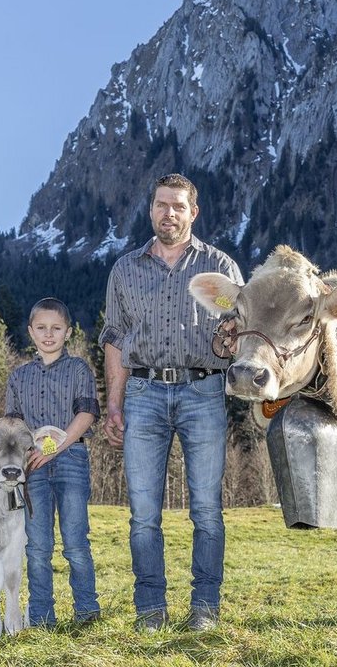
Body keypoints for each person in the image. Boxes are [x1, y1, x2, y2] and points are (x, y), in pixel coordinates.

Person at [99, 173, 244, 632]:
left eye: (178, 206)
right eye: (162, 205)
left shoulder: (221, 268)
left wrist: (229, 343)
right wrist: (114, 405)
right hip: (142, 394)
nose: (169, 213)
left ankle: (205, 608)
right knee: (143, 514)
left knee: (206, 509)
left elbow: (238, 342)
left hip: (204, 392)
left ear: (193, 212)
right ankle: (150, 611)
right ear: (151, 210)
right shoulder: (125, 269)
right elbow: (115, 341)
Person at [5, 297, 101, 628]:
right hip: (32, 466)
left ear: (68, 332)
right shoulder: (18, 377)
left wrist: (56, 447)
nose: (49, 335)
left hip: (71, 458)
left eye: (56, 329)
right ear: (31, 332)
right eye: (42, 329)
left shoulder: (79, 369)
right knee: (37, 545)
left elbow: (87, 413)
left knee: (75, 540)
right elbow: (13, 427)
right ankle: (42, 615)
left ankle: (86, 611)